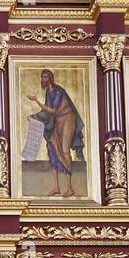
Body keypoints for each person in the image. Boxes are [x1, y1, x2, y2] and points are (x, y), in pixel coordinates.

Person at [26, 69, 85, 197]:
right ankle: (57, 187)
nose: (43, 79)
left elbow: (53, 110)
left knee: (64, 151)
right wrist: (35, 117)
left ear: (50, 78)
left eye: (46, 77)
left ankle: (70, 187)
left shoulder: (58, 91)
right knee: (52, 150)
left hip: (67, 119)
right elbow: (48, 113)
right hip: (56, 121)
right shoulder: (48, 92)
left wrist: (36, 101)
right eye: (42, 77)